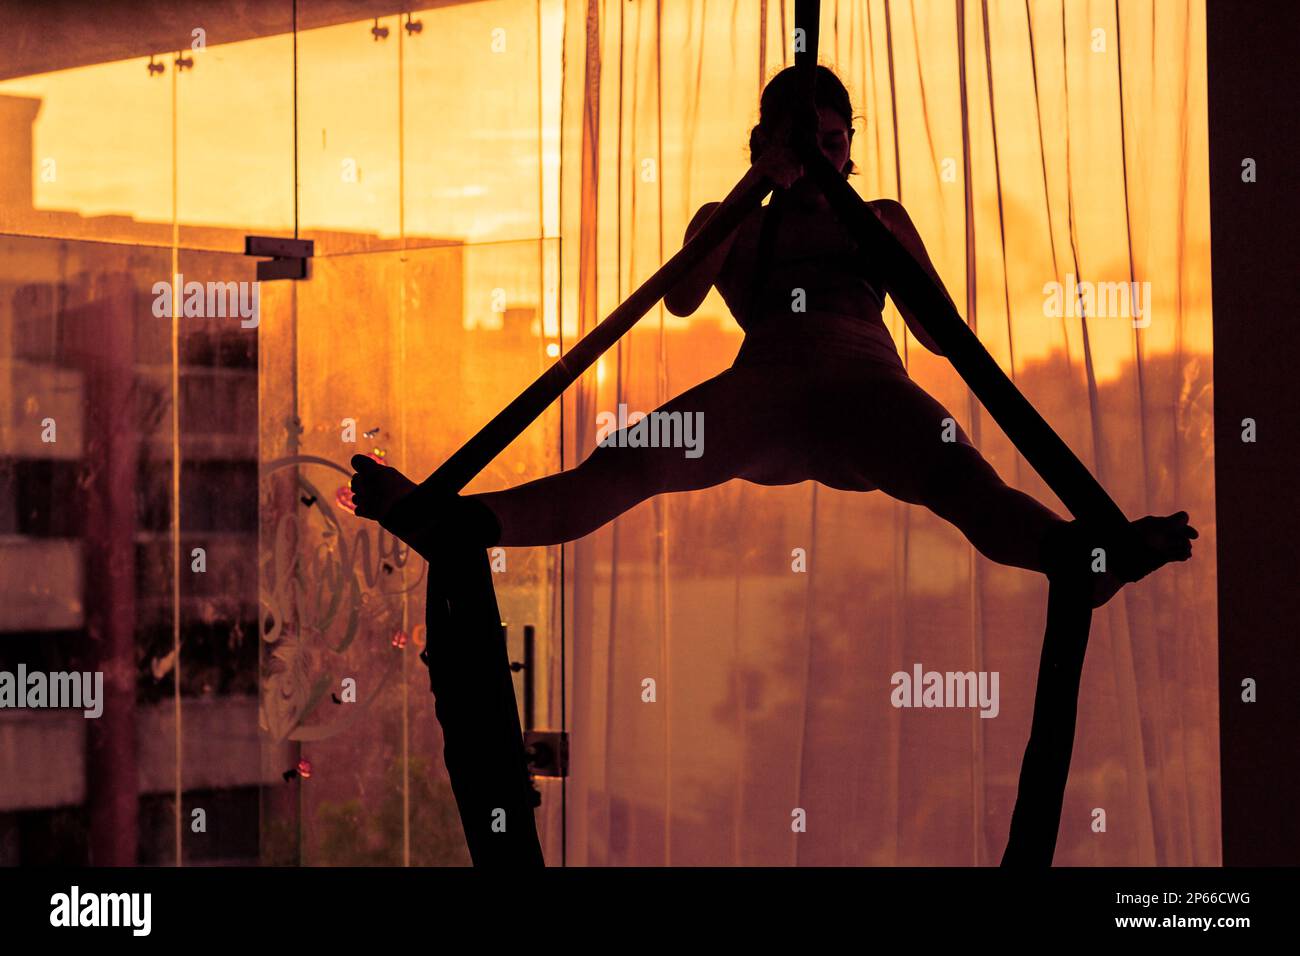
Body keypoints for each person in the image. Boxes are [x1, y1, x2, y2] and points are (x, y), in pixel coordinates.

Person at [350, 65, 1195, 607]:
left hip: (869, 388)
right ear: (770, 142)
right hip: (765, 392)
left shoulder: (882, 217)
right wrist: (758, 184)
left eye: (838, 143)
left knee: (962, 481)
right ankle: (464, 524)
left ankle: (1086, 555)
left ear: (849, 144)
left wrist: (875, 238)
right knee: (628, 464)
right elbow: (679, 299)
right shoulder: (733, 219)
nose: (828, 158)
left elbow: (940, 338)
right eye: (810, 144)